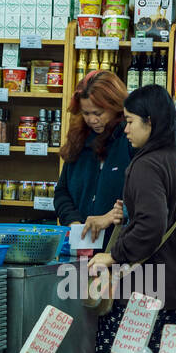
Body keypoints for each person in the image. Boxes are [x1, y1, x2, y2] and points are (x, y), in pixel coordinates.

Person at [89, 84, 176, 353]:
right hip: (175, 289)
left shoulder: (148, 164)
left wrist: (114, 255)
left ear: (149, 121)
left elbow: (152, 225)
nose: (125, 130)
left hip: (142, 293)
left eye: (129, 122)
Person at [54, 70, 131, 246]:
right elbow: (62, 192)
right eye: (86, 113)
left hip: (121, 248)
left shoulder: (130, 140)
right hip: (81, 247)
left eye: (98, 113)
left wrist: (116, 215)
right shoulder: (79, 139)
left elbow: (147, 196)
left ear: (116, 106)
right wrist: (74, 223)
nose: (92, 120)